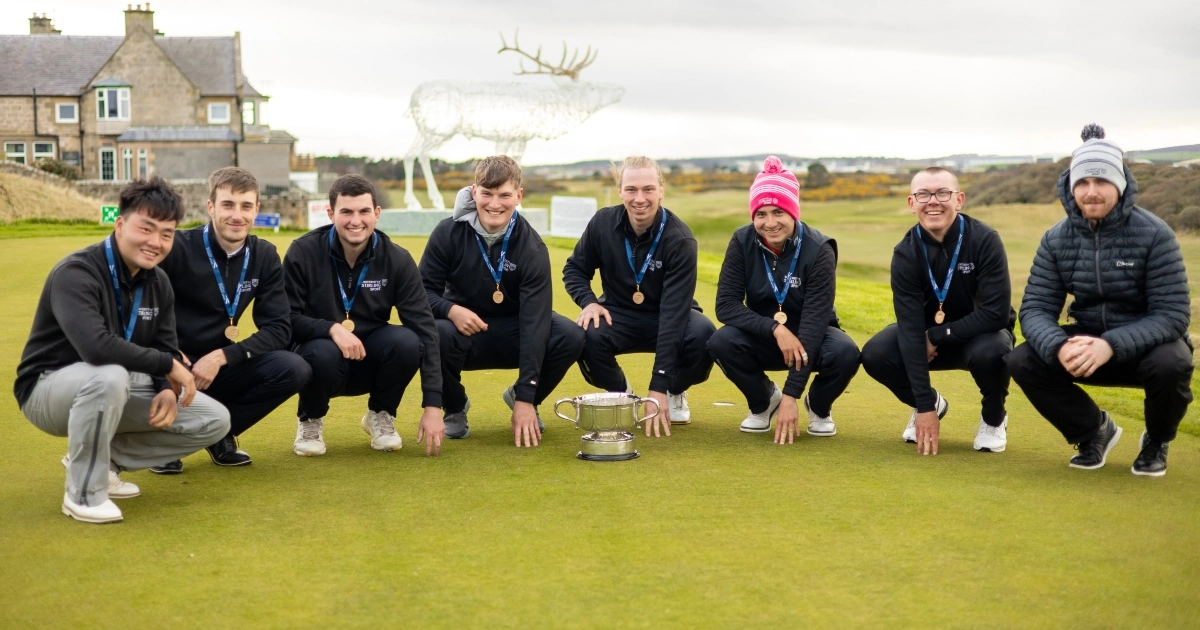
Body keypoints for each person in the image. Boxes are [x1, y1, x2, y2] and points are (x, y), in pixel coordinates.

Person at [14, 177, 230, 523]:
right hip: (46, 389)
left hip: (112, 384)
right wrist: (167, 366)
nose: (155, 242)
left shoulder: (159, 282)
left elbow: (163, 344)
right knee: (109, 374)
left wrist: (164, 388)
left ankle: (100, 460)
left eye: (166, 233)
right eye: (146, 228)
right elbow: (96, 348)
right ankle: (83, 494)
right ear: (119, 224)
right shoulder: (77, 271)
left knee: (214, 420)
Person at [1007, 124, 1192, 475]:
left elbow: (1172, 315)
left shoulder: (1155, 234)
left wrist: (1110, 345)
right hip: (1084, 346)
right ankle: (1093, 431)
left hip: (1147, 350)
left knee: (1173, 363)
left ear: (1120, 185)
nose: (1091, 192)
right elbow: (1034, 310)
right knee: (1022, 359)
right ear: (1071, 187)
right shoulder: (1055, 239)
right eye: (1083, 183)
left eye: (1102, 182)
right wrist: (1059, 346)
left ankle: (1156, 439)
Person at [149, 167, 311, 474]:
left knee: (295, 367)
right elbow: (145, 312)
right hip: (172, 363)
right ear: (211, 207)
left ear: (257, 210)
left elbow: (279, 329)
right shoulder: (177, 248)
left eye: (246, 206)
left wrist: (223, 356)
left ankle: (218, 433)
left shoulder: (264, 255)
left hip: (217, 365)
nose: (237, 215)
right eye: (228, 205)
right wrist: (169, 356)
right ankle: (166, 442)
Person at [419, 156, 584, 447]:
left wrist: (526, 397)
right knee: (432, 333)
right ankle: (455, 407)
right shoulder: (447, 233)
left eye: (504, 195)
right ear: (474, 193)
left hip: (515, 331)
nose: (495, 204)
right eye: (487, 194)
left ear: (518, 196)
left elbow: (535, 321)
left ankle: (520, 396)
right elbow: (420, 296)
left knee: (569, 335)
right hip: (462, 332)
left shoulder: (532, 246)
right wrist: (451, 309)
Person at [284, 174, 444, 457]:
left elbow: (425, 329)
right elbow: (286, 320)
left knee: (408, 342)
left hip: (370, 358)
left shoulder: (397, 259)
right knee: (321, 350)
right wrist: (332, 329)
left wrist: (433, 405)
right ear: (331, 213)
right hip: (321, 359)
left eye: (363, 211)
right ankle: (310, 418)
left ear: (376, 213)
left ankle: (380, 414)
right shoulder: (303, 251)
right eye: (346, 212)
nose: (355, 220)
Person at [860, 167, 1015, 455]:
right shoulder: (905, 252)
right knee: (876, 353)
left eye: (943, 192)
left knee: (992, 352)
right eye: (924, 194)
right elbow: (908, 326)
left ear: (959, 199)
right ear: (911, 203)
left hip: (981, 336)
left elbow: (996, 314)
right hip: (928, 339)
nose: (933, 201)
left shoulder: (984, 240)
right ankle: (933, 402)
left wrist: (937, 334)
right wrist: (923, 405)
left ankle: (994, 418)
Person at [708, 157, 860, 443]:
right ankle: (764, 401)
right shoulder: (742, 241)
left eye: (778, 212)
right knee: (721, 342)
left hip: (813, 334)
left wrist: (792, 394)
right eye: (761, 214)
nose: (770, 223)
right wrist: (775, 329)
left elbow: (815, 324)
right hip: (765, 333)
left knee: (845, 353)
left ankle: (818, 406)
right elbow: (725, 305)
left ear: (793, 213)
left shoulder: (820, 249)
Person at [563, 155, 715, 437]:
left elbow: (673, 315)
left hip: (669, 315)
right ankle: (624, 396)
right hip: (619, 313)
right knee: (585, 332)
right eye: (631, 189)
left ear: (661, 190)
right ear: (620, 190)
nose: (639, 198)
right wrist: (589, 302)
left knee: (704, 335)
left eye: (648, 189)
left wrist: (659, 385)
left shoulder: (680, 239)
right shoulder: (602, 223)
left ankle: (674, 391)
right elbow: (574, 269)